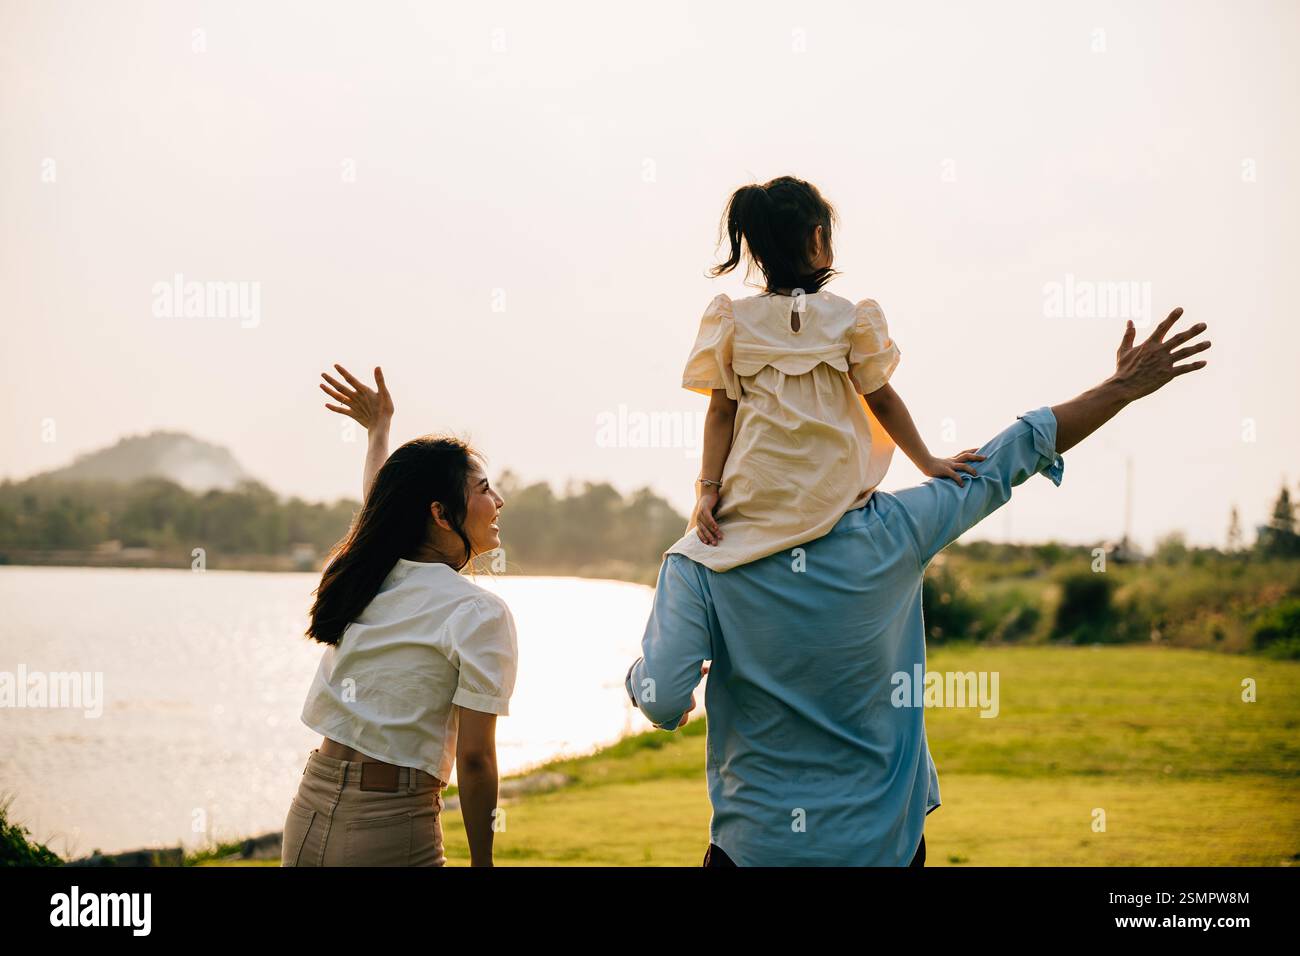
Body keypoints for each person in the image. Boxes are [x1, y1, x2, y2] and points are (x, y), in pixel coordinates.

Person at [627, 307, 1210, 865]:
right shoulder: (899, 529)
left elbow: (661, 696)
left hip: (756, 852)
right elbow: (1018, 452)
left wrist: (647, 686)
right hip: (885, 848)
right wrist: (1120, 388)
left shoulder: (699, 560)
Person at [667, 175, 983, 572]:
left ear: (759, 250)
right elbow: (882, 399)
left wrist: (707, 492)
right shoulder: (851, 318)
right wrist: (928, 462)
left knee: (693, 559)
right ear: (818, 239)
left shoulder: (732, 319)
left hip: (756, 493)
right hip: (833, 493)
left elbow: (720, 414)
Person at [281, 365, 517, 867]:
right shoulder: (479, 613)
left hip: (309, 809)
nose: (499, 501)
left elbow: (381, 503)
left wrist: (378, 429)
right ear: (438, 512)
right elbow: (475, 760)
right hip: (390, 822)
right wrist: (483, 864)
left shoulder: (374, 570)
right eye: (484, 488)